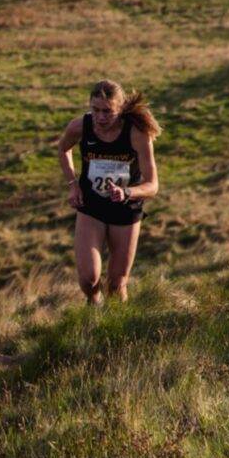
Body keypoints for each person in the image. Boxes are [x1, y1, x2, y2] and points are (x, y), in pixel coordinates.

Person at [54, 80, 162, 303]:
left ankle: (114, 328)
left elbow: (152, 185)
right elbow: (63, 148)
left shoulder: (137, 134)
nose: (100, 117)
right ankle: (94, 303)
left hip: (125, 209)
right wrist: (72, 185)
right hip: (92, 205)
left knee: (116, 282)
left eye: (107, 111)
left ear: (120, 109)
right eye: (95, 110)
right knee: (88, 278)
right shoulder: (80, 126)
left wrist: (127, 193)